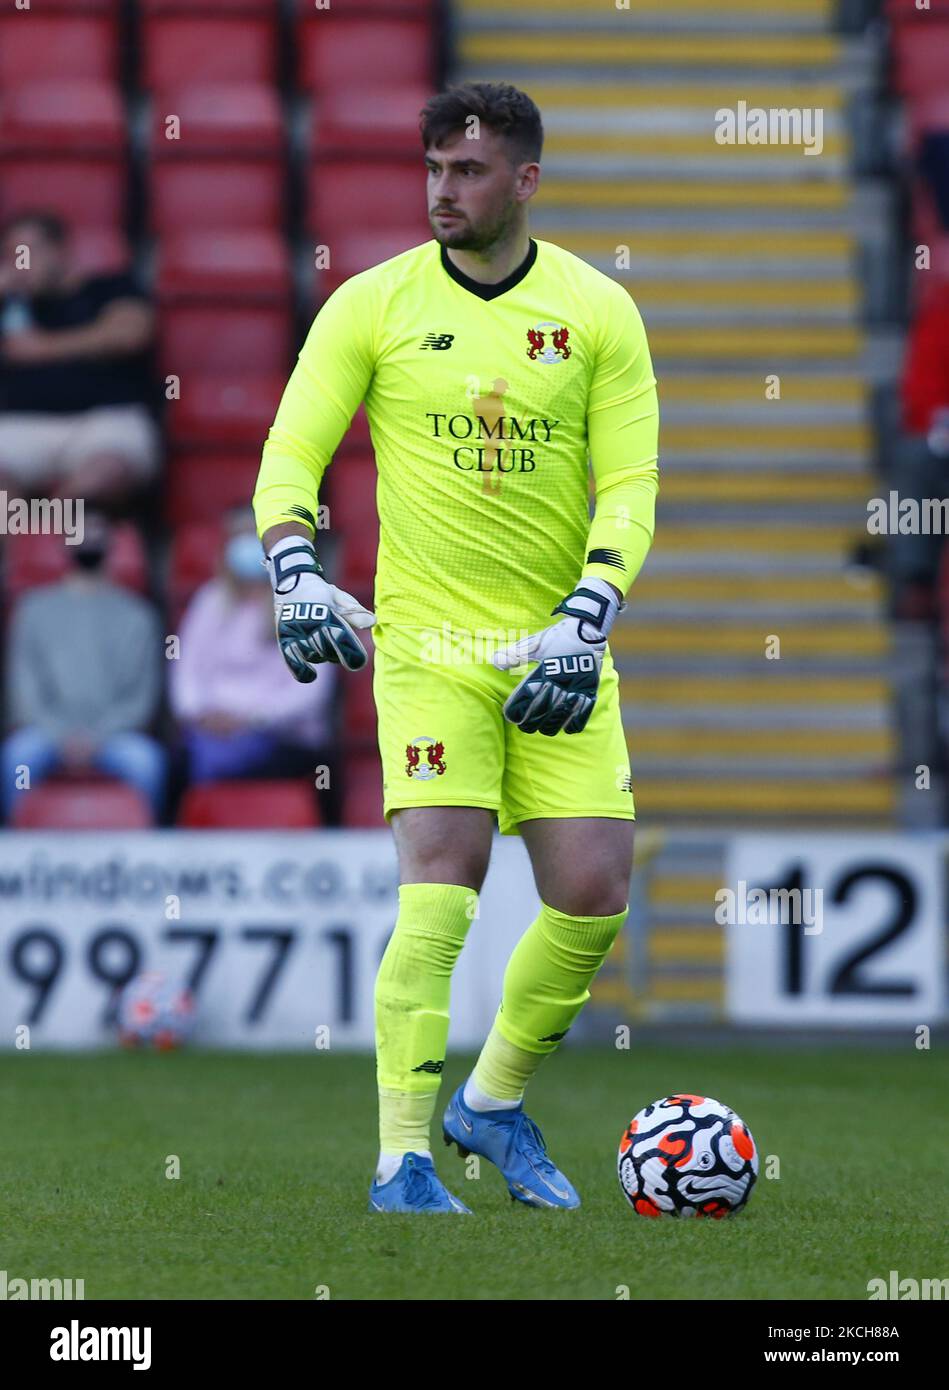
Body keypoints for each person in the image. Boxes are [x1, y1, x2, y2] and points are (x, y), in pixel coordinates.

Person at [252, 82, 659, 1214]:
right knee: (444, 876)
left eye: (469, 171)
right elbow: (289, 457)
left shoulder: (594, 311)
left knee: (591, 893)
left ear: (525, 179)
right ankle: (402, 1159)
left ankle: (488, 1102)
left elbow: (629, 486)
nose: (444, 189)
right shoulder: (370, 305)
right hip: (429, 642)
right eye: (433, 168)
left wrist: (588, 615)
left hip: (557, 647)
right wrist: (292, 566)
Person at [170, 512, 340, 822]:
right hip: (213, 730)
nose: (248, 546)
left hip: (283, 737)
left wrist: (252, 720)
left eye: (256, 536)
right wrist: (202, 714)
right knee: (173, 765)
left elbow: (312, 690)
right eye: (240, 537)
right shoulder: (209, 600)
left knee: (326, 771)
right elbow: (186, 673)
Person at [2, 514, 166, 821]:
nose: (88, 539)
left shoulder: (138, 615)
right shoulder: (32, 610)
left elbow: (141, 697)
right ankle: (12, 857)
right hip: (47, 734)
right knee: (17, 760)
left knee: (148, 763)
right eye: (80, 532)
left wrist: (95, 738)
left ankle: (149, 859)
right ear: (63, 544)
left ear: (112, 543)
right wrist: (62, 735)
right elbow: (24, 690)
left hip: (115, 738)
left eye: (96, 532)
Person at [0, 210, 158, 505]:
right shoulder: (10, 304)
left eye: (28, 251)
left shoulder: (110, 286)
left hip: (104, 421)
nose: (20, 264)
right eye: (11, 256)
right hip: (20, 425)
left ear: (60, 250)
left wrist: (44, 348)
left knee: (106, 470)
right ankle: (23, 544)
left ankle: (50, 527)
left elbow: (130, 333)